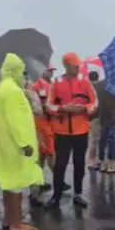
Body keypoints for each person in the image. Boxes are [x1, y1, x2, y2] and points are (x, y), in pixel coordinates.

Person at [0, 53, 44, 230]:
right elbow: (16, 120)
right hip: (15, 146)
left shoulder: (1, 88)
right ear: (16, 70)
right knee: (16, 187)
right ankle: (16, 223)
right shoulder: (12, 91)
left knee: (8, 184)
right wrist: (24, 144)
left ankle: (8, 220)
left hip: (3, 144)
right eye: (22, 71)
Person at [43, 52, 98, 210]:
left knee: (79, 163)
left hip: (81, 130)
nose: (77, 67)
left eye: (78, 65)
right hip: (61, 132)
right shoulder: (56, 83)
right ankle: (56, 196)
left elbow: (95, 102)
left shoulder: (86, 82)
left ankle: (78, 194)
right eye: (75, 65)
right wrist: (62, 108)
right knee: (60, 165)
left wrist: (84, 109)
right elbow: (49, 105)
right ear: (67, 65)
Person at [28, 64, 72, 199]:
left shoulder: (52, 84)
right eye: (49, 70)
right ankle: (59, 181)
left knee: (42, 155)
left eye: (52, 70)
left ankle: (39, 181)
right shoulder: (36, 86)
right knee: (50, 153)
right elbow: (32, 104)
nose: (51, 73)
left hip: (51, 122)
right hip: (41, 122)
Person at [95, 75, 115, 173]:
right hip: (113, 117)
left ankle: (102, 163)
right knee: (112, 141)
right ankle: (111, 164)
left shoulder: (98, 85)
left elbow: (96, 102)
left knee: (102, 141)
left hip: (102, 117)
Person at [86, 71, 102, 169]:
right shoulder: (98, 88)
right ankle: (92, 160)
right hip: (97, 116)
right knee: (95, 139)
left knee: (94, 139)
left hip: (91, 116)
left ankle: (94, 159)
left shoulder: (87, 88)